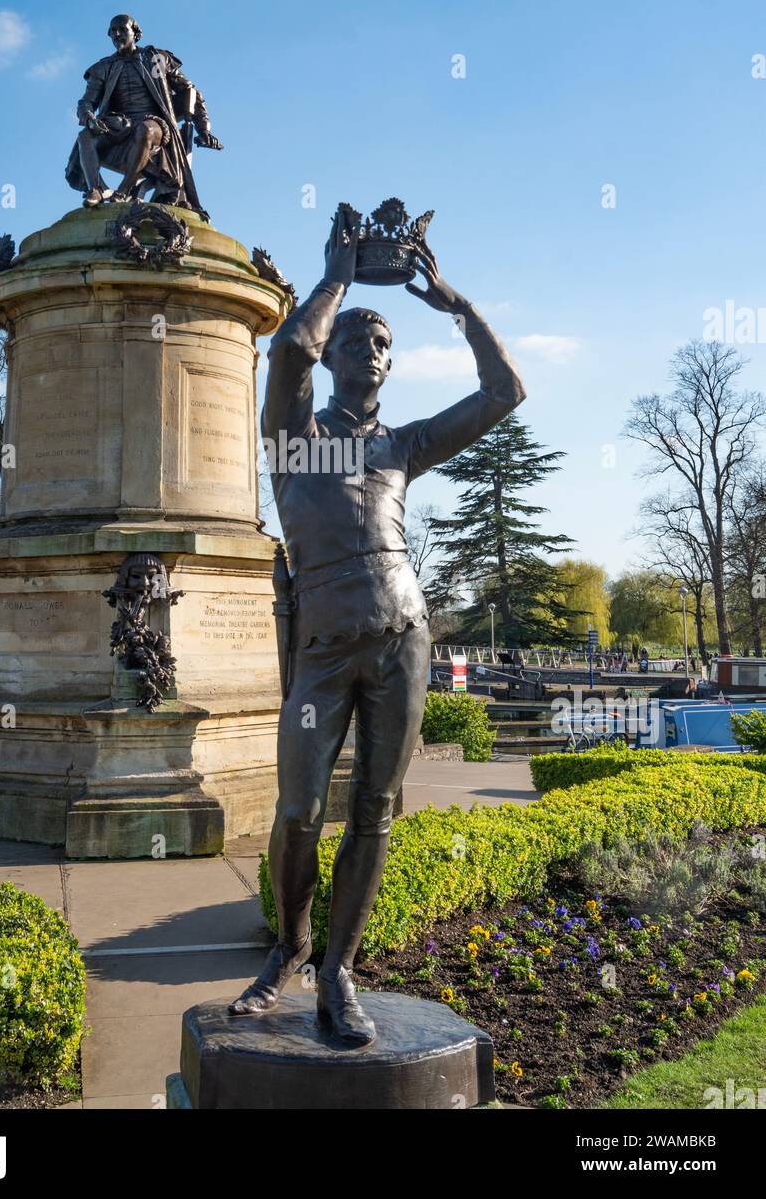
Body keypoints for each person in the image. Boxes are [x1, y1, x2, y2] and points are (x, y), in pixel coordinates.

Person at [228, 207, 525, 1045]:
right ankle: (288, 948)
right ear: (335, 356)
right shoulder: (294, 438)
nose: (369, 349)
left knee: (376, 810)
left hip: (403, 639)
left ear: (392, 364)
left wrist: (455, 304)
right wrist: (338, 276)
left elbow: (504, 394)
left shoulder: (403, 445)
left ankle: (338, 971)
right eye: (355, 339)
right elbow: (288, 351)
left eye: (382, 342)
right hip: (321, 648)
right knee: (297, 810)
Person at [65, 14, 223, 214]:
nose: (117, 34)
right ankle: (95, 190)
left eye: (122, 29)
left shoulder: (155, 59)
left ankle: (123, 190)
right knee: (84, 136)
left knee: (145, 129)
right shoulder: (103, 67)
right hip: (120, 124)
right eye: (113, 31)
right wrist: (89, 118)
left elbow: (189, 91)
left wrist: (204, 129)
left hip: (154, 123)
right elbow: (86, 101)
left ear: (135, 33)